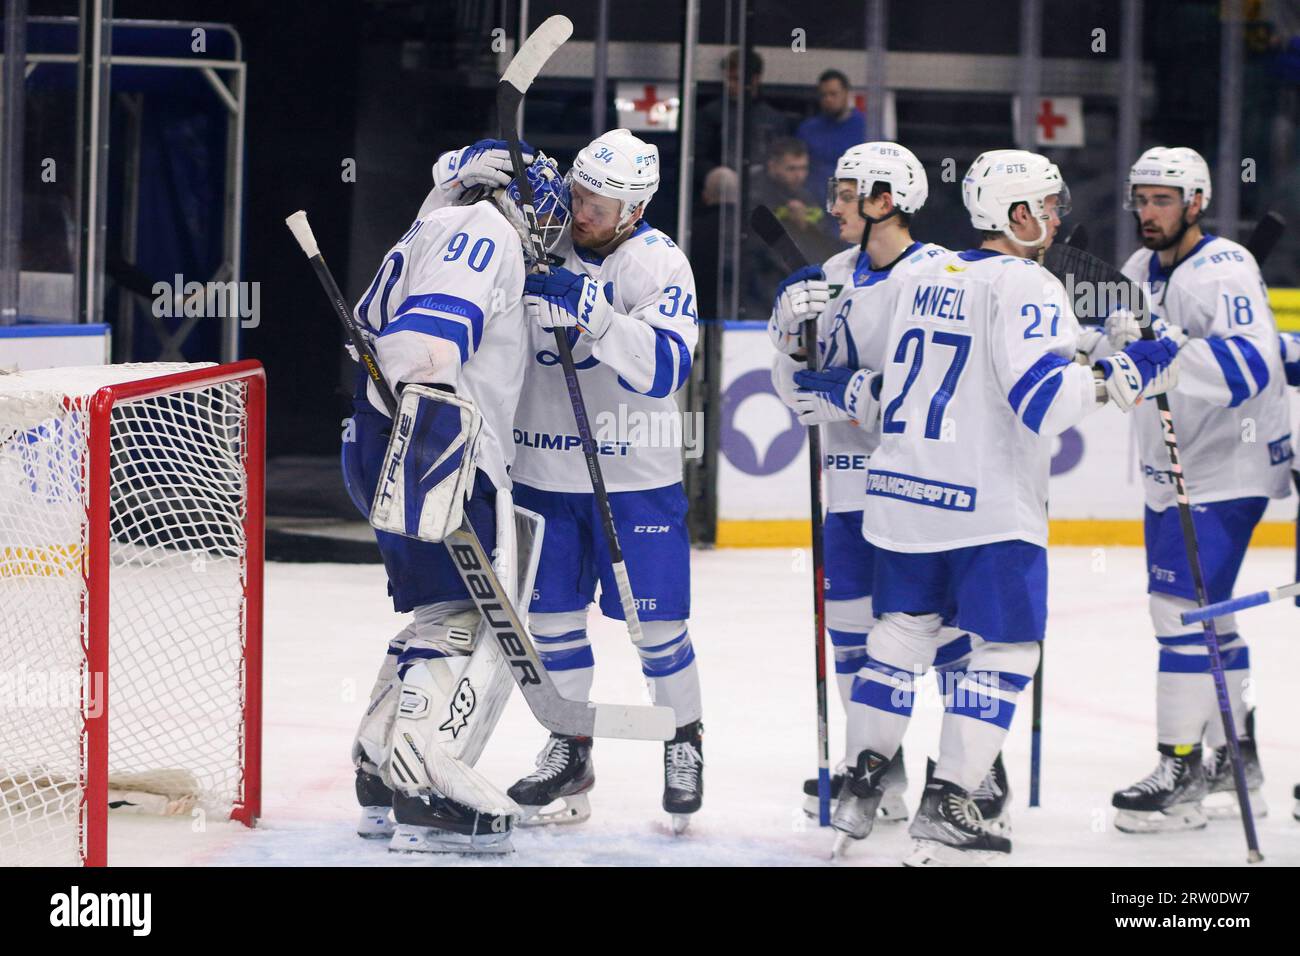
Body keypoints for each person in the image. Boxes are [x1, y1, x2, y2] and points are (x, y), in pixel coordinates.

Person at [793, 148, 1181, 864]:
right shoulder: (1030, 282)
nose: (1056, 219)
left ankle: (861, 784)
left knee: (901, 636)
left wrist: (1088, 343)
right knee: (1005, 649)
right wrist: (1127, 372)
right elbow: (1044, 403)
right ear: (1017, 213)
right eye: (1048, 207)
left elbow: (962, 362)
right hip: (987, 507)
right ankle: (949, 800)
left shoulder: (925, 275)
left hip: (903, 495)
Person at [768, 141, 1013, 830]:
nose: (833, 207)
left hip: (919, 491)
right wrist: (787, 336)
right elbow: (795, 386)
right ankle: (876, 769)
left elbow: (943, 391)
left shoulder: (938, 276)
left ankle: (975, 772)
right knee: (852, 641)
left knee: (941, 638)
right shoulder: (831, 275)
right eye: (835, 193)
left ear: (887, 201)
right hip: (848, 492)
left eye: (847, 196)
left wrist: (854, 395)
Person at [342, 140, 572, 853]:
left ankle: (379, 765)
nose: (549, 221)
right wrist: (432, 447)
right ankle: (424, 792)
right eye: (541, 200)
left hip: (391, 438)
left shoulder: (435, 223)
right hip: (436, 445)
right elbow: (424, 349)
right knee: (464, 619)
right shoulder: (483, 231)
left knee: (440, 611)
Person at [506, 128, 705, 832]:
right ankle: (570, 746)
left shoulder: (660, 262)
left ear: (635, 210)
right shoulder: (539, 236)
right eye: (579, 193)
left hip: (634, 479)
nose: (583, 210)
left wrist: (595, 313)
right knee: (552, 621)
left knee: (657, 626)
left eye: (600, 204)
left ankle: (682, 741)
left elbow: (666, 369)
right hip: (541, 471)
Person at [1094, 148, 1292, 833]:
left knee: (1178, 612)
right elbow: (1117, 352)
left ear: (1196, 202)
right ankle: (1238, 762)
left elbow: (1251, 366)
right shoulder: (1139, 268)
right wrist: (1105, 343)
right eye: (1141, 199)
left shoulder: (1225, 269)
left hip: (1228, 467)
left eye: (1163, 200)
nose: (1148, 213)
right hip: (1172, 472)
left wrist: (1169, 349)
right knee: (1213, 618)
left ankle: (1178, 773)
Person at [696, 48, 795, 177]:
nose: (730, 85)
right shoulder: (710, 114)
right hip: (723, 184)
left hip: (765, 185)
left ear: (756, 79)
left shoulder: (775, 119)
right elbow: (699, 158)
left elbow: (782, 160)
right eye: (728, 79)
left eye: (736, 79)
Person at [796, 70, 867, 202]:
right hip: (813, 203)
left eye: (833, 94)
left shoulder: (867, 128)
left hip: (853, 203)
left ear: (847, 94)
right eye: (823, 95)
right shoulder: (808, 130)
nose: (828, 99)